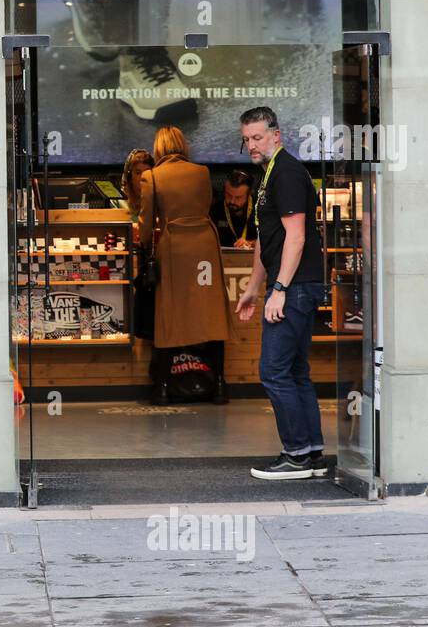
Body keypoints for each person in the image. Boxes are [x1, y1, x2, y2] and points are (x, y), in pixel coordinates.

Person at [233, 106, 328, 480]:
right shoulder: (268, 174)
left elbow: (297, 235)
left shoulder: (286, 172)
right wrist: (254, 288)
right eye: (247, 139)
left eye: (258, 137)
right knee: (295, 372)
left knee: (273, 372)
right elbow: (264, 240)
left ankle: (296, 455)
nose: (252, 145)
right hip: (294, 285)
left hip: (297, 286)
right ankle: (312, 453)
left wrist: (280, 289)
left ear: (276, 134)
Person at [137, 126, 230, 405]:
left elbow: (146, 221)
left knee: (169, 316)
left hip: (174, 247)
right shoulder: (202, 172)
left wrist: (143, 247)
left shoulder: (151, 176)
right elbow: (206, 207)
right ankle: (220, 386)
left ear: (159, 147)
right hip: (205, 247)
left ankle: (164, 387)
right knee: (210, 312)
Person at [121, 149, 155, 342]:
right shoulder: (119, 207)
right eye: (137, 172)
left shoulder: (161, 203)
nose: (142, 177)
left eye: (147, 171)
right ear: (129, 176)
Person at [211, 168, 258, 248]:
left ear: (249, 195)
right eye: (229, 195)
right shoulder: (215, 210)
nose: (232, 201)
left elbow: (272, 240)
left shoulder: (261, 209)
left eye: (238, 197)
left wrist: (252, 243)